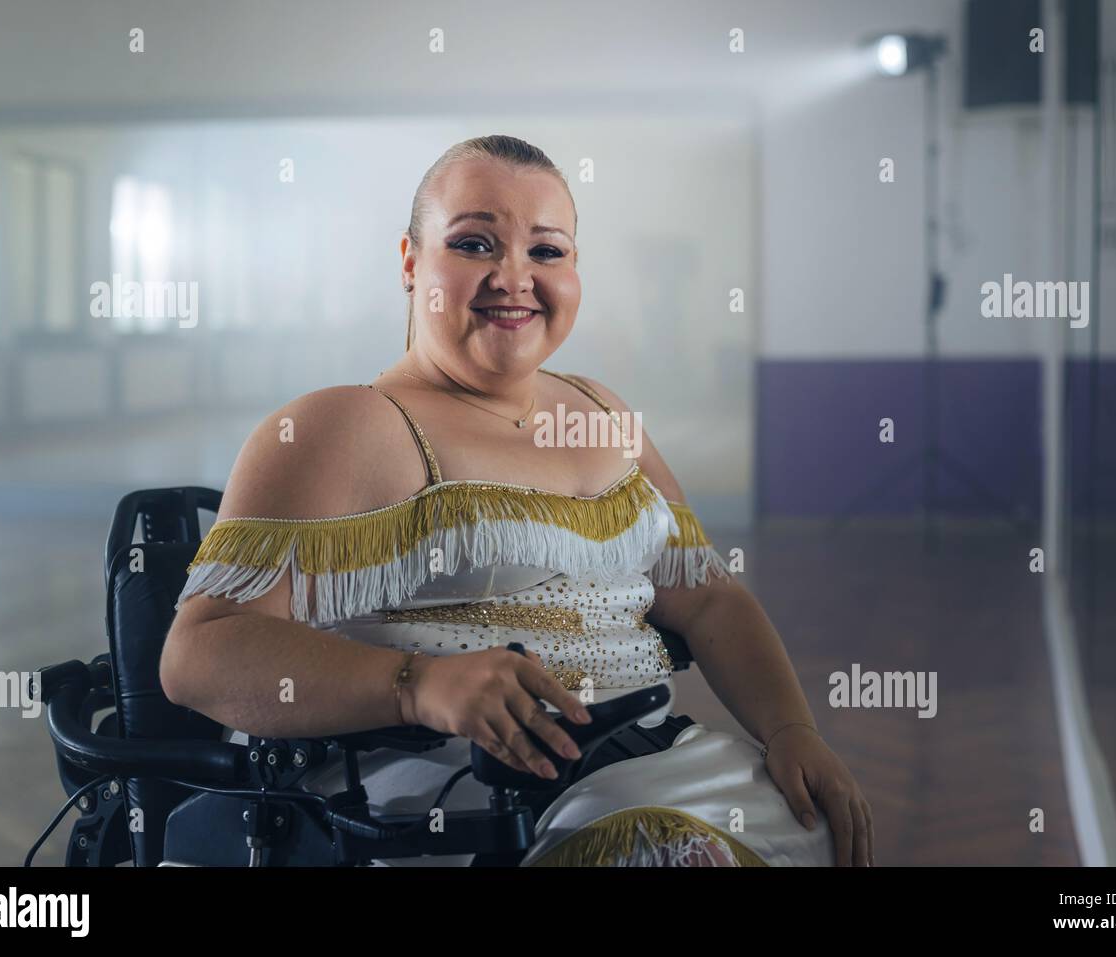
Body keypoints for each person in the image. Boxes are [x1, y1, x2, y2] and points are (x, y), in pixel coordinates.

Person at [163, 134, 873, 867]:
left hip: (654, 764)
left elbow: (708, 599)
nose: (514, 277)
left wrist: (792, 730)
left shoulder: (601, 410)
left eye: (547, 251)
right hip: (447, 791)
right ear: (411, 262)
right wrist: (417, 686)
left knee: (810, 826)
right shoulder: (338, 424)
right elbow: (200, 653)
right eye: (474, 243)